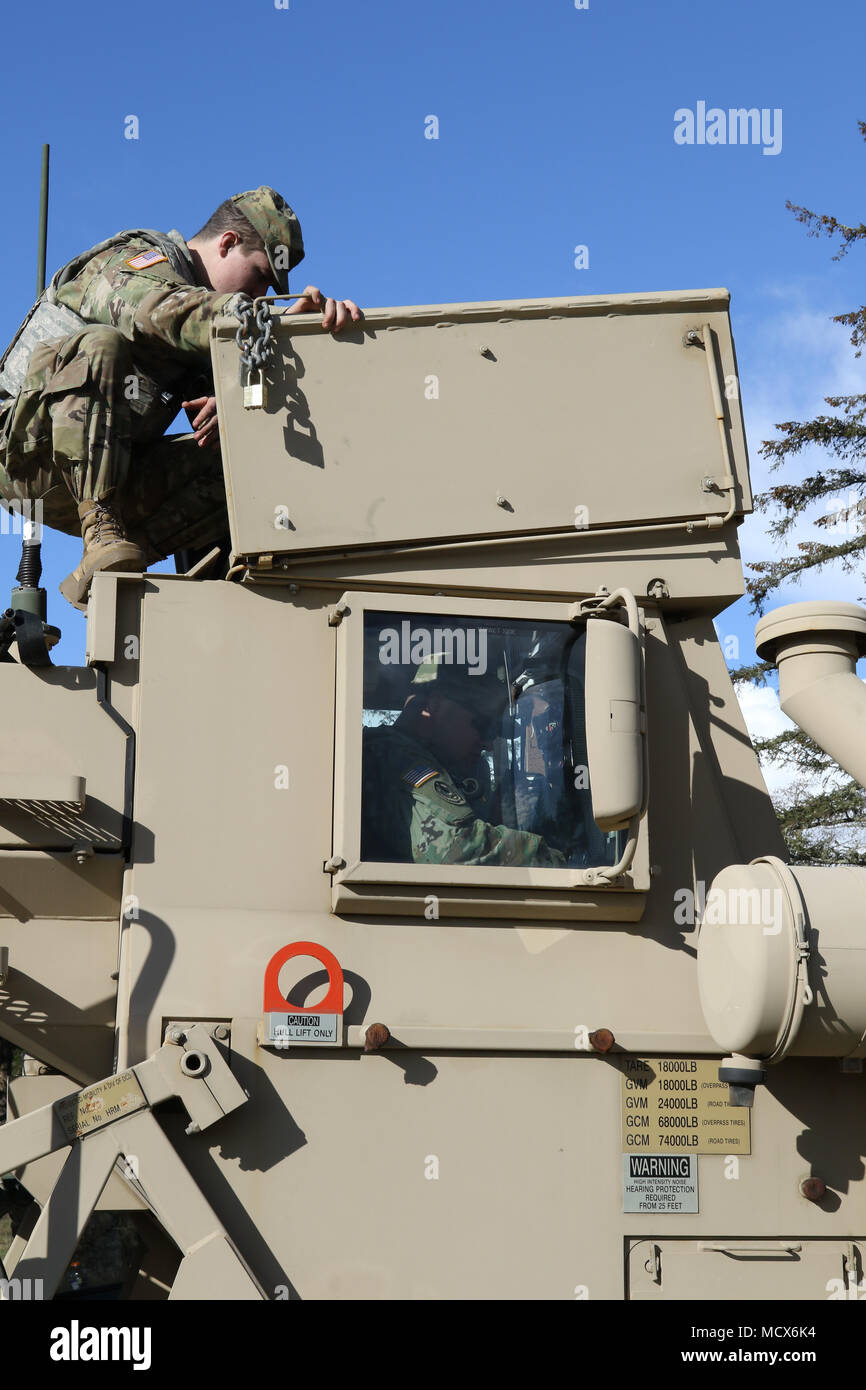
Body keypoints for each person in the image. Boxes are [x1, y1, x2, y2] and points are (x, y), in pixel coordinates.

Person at [0, 186, 361, 608]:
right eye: (261, 278)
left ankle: (116, 571)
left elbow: (233, 390)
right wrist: (262, 322)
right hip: (22, 454)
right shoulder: (137, 261)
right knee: (100, 345)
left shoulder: (207, 329)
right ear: (228, 243)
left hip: (113, 476)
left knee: (243, 459)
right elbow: (156, 312)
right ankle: (102, 536)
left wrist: (295, 348)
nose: (260, 296)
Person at [362, 660, 567, 867]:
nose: (487, 744)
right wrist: (557, 862)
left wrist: (498, 817)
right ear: (435, 705)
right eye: (483, 725)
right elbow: (457, 847)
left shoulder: (452, 765)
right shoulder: (392, 757)